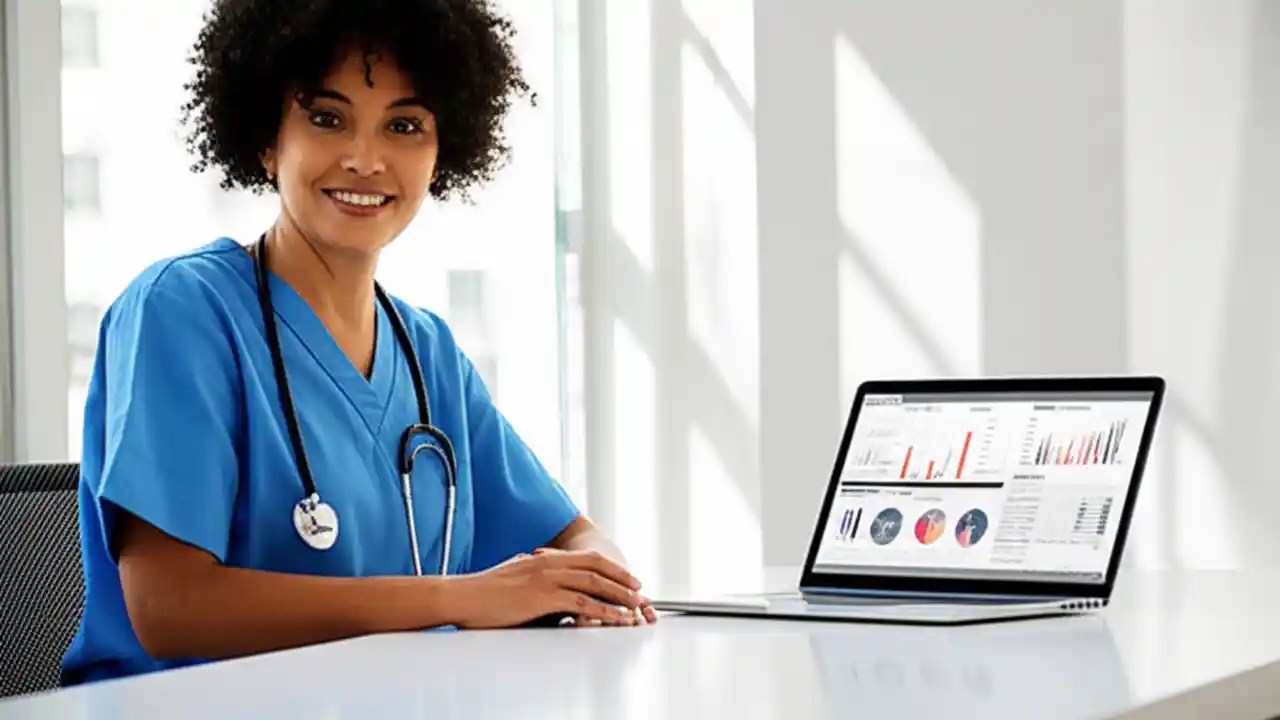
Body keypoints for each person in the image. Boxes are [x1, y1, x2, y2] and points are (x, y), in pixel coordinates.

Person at [61, 0, 656, 686]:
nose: (365, 158)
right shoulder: (183, 311)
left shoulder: (427, 352)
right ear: (265, 137)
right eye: (326, 117)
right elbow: (170, 608)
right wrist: (460, 600)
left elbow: (571, 539)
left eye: (404, 125)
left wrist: (599, 586)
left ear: (444, 150)